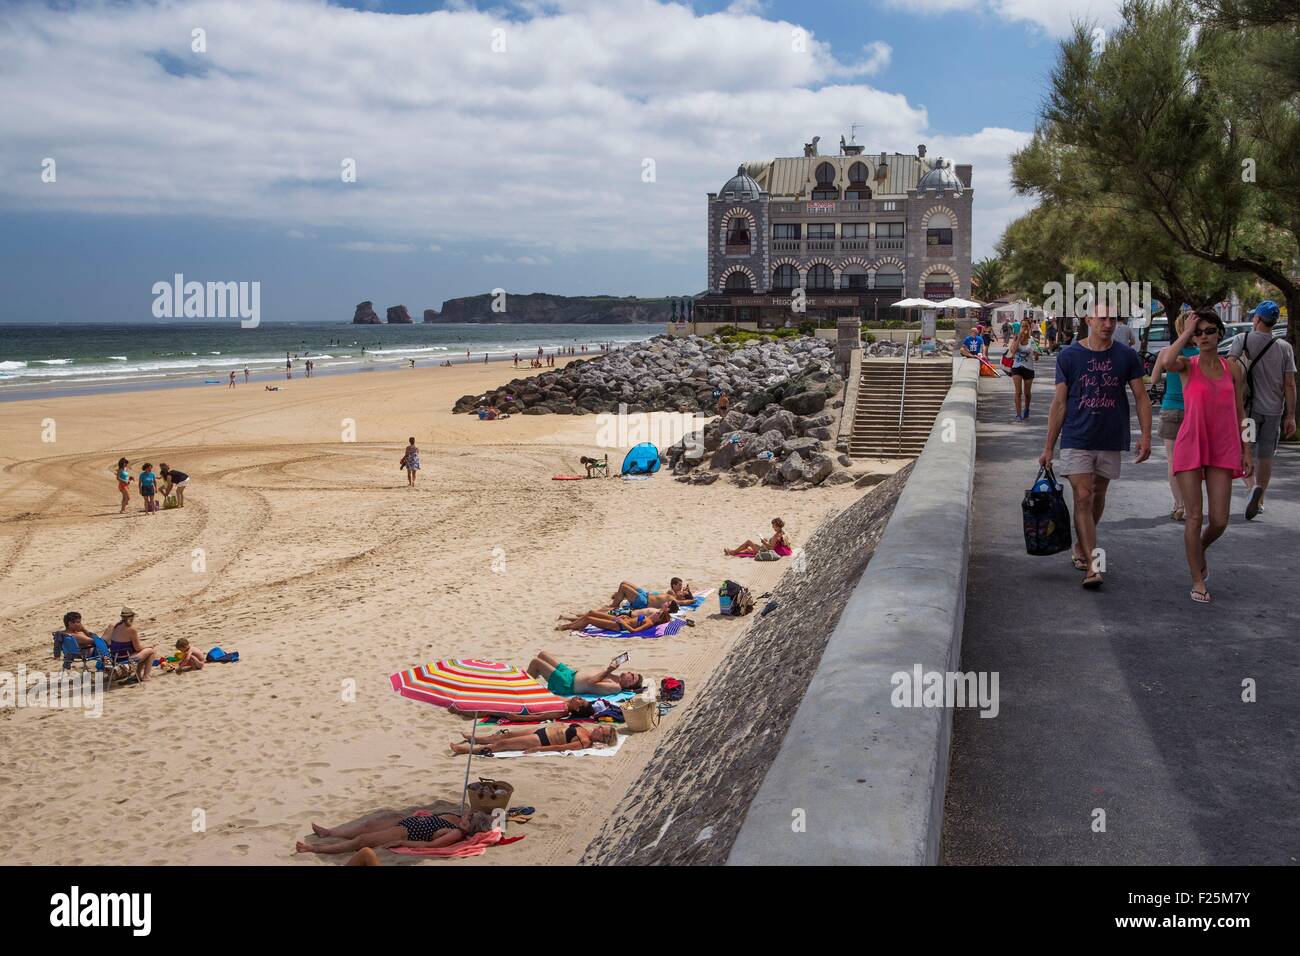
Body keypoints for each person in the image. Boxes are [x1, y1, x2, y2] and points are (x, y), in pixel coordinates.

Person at [1039, 306, 1152, 589]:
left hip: (1110, 437)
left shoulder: (1126, 356)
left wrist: (1146, 436)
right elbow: (1060, 403)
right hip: (1077, 437)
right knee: (1084, 495)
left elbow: (1141, 397)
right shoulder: (1069, 356)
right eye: (1102, 318)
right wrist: (1048, 447)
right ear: (1088, 320)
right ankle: (1093, 565)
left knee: (1098, 494)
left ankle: (1082, 543)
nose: (1108, 323)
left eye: (1113, 318)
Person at [1164, 311, 1252, 603]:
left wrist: (1247, 449)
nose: (1203, 336)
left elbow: (1241, 411)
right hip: (1191, 443)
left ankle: (1198, 549)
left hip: (1224, 446)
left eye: (1208, 331)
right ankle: (1197, 579)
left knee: (1219, 520)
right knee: (1193, 517)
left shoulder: (1233, 369)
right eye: (1198, 332)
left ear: (1219, 334)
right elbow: (1165, 362)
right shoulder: (1187, 365)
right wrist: (1184, 334)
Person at [1228, 299, 1296, 519]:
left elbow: (1230, 370)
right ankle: (1261, 498)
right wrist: (1291, 416)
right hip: (1274, 412)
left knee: (1243, 449)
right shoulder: (1284, 347)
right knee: (1265, 455)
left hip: (1247, 411)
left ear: (1256, 318)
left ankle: (1251, 490)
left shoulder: (1241, 339)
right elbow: (1290, 384)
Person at [1148, 313, 1200, 520]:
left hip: (1170, 409)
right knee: (1193, 462)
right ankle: (1191, 504)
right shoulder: (1200, 355)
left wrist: (1168, 375)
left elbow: (1153, 380)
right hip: (1193, 412)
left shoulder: (1165, 353)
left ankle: (1179, 505)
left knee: (1172, 461)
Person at [296, 810, 496, 855]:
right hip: (405, 821)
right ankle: (329, 833)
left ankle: (314, 848)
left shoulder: (456, 834)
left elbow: (431, 846)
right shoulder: (455, 818)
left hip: (405, 832)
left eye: (469, 818)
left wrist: (403, 845)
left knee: (362, 840)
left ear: (470, 827)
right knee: (368, 825)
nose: (466, 815)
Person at [450, 722, 619, 756]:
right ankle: (478, 739)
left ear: (603, 738)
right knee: (506, 735)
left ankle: (464, 750)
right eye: (600, 726)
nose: (597, 728)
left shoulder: (584, 742)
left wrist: (539, 749)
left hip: (543, 740)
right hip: (543, 729)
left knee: (503, 744)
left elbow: (560, 748)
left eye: (600, 729)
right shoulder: (586, 730)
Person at [526, 651, 644, 696]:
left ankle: (524, 689)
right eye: (631, 672)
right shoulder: (616, 677)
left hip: (567, 684)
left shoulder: (616, 687)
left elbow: (591, 682)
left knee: (536, 662)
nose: (629, 672)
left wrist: (609, 670)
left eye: (632, 676)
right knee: (542, 655)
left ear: (629, 685)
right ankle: (529, 681)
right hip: (570, 673)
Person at [103, 607, 156, 682]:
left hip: (115, 657)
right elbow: (138, 648)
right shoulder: (131, 629)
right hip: (125, 659)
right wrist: (148, 646)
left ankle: (137, 675)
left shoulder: (117, 625)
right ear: (132, 617)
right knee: (151, 651)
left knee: (145, 651)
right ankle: (145, 676)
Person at [555, 604, 675, 633]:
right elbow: (633, 620)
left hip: (618, 626)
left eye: (658, 614)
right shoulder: (649, 618)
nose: (655, 613)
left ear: (659, 620)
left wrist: (623, 622)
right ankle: (573, 621)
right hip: (621, 620)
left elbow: (633, 631)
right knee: (591, 612)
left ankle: (566, 627)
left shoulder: (649, 623)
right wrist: (625, 617)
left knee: (590, 619)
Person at [1007, 324, 1040, 421]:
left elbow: (1036, 358)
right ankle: (1018, 414)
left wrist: (1036, 354)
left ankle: (1027, 409)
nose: (1024, 329)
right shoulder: (1016, 339)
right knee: (1018, 392)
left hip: (1029, 368)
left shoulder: (1032, 341)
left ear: (1029, 329)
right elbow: (1013, 351)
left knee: (1027, 393)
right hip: (1017, 367)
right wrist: (1018, 338)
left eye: (1026, 327)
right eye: (1023, 327)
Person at [609, 577, 693, 610]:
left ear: (683, 598)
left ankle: (614, 605)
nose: (681, 590)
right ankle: (621, 596)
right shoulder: (671, 593)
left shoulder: (674, 601)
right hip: (644, 594)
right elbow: (673, 591)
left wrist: (691, 598)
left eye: (683, 593)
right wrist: (686, 592)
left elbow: (687, 601)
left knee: (623, 587)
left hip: (644, 602)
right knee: (623, 583)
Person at [724, 517, 791, 557]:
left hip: (764, 550)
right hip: (768, 549)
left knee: (748, 542)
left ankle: (733, 552)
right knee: (748, 549)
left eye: (773, 526)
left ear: (777, 526)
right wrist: (767, 541)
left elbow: (771, 548)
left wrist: (764, 542)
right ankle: (734, 551)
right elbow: (778, 544)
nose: (772, 527)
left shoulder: (777, 535)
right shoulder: (784, 532)